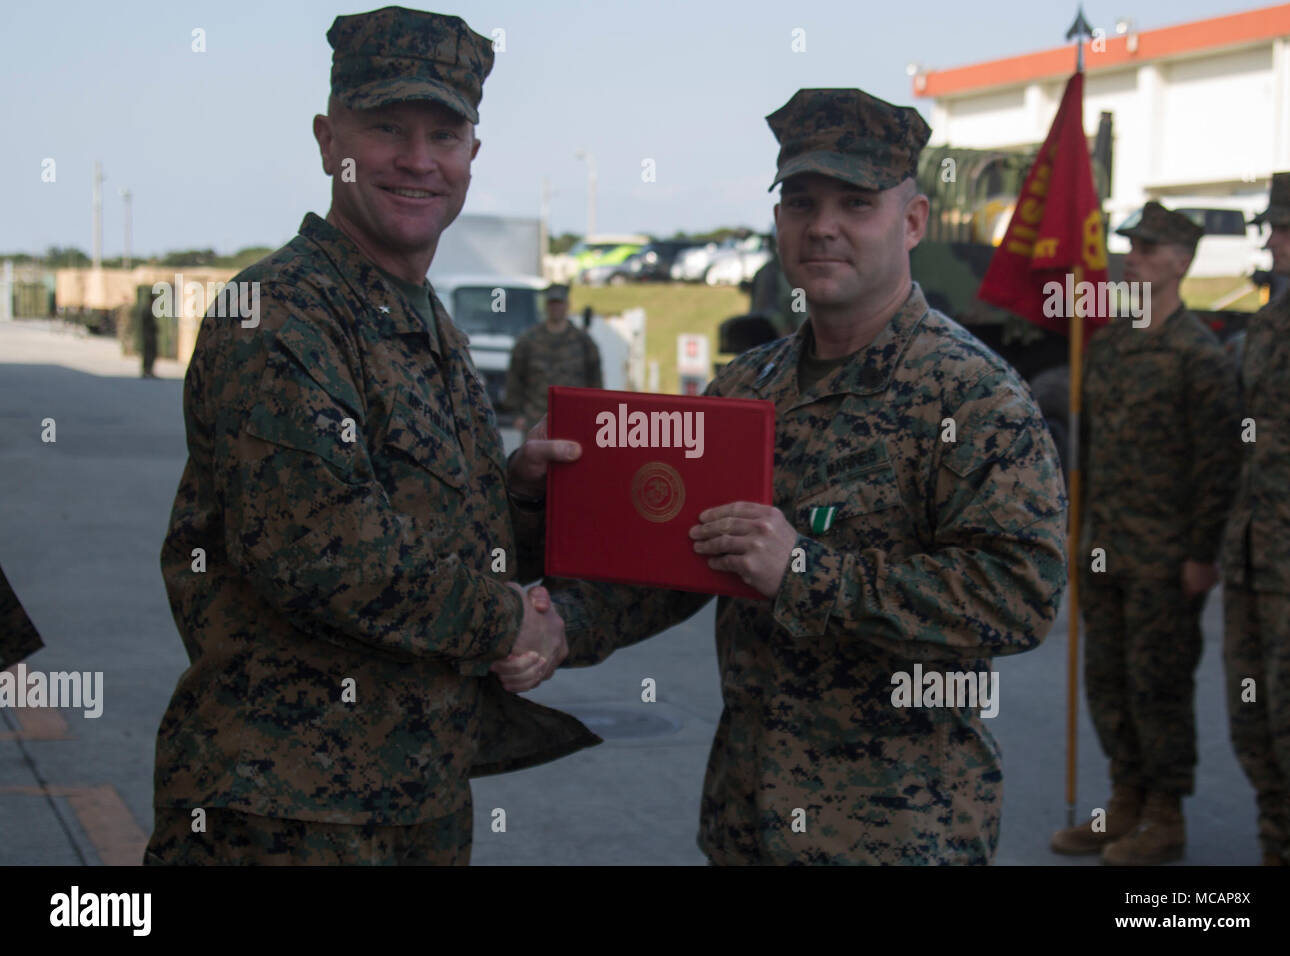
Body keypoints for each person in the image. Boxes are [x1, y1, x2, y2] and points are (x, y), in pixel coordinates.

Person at [539, 88, 1068, 864]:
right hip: (746, 822)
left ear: (913, 220)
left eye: (857, 202)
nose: (823, 226)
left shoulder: (974, 394)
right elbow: (673, 562)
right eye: (801, 201)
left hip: (899, 836)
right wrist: (561, 625)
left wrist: (805, 573)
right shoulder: (746, 389)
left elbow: (1021, 595)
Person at [143, 6, 596, 866]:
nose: (418, 159)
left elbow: (429, 534)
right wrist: (509, 622)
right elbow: (325, 557)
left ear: (472, 155)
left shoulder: (422, 318)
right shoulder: (279, 313)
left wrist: (522, 499)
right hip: (283, 813)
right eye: (386, 126)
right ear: (327, 141)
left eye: (444, 133)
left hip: (412, 796)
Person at [1050, 202, 1241, 865]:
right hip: (1106, 546)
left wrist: (1201, 555)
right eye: (1132, 244)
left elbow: (1217, 466)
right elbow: (1091, 447)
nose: (1134, 255)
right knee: (1106, 679)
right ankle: (1124, 800)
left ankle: (1166, 815)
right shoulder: (1112, 344)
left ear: (1182, 262)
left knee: (1157, 684)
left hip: (1165, 554)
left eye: (1150, 247)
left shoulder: (1198, 355)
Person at [1222, 170, 1290, 866]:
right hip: (1253, 553)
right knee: (1255, 721)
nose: (1272, 239)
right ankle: (1278, 845)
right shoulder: (1271, 320)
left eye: (1285, 227)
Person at [505, 283, 602, 433]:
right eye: (552, 303)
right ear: (546, 306)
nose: (556, 307)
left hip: (573, 417)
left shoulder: (583, 341)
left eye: (559, 303)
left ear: (567, 305)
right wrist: (517, 413)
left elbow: (595, 379)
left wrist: (594, 413)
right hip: (535, 418)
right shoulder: (528, 340)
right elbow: (515, 377)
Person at [138, 285, 158, 378]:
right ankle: (146, 370)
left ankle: (149, 370)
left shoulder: (149, 309)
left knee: (151, 353)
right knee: (148, 353)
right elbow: (146, 323)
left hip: (150, 334)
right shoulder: (147, 309)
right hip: (148, 335)